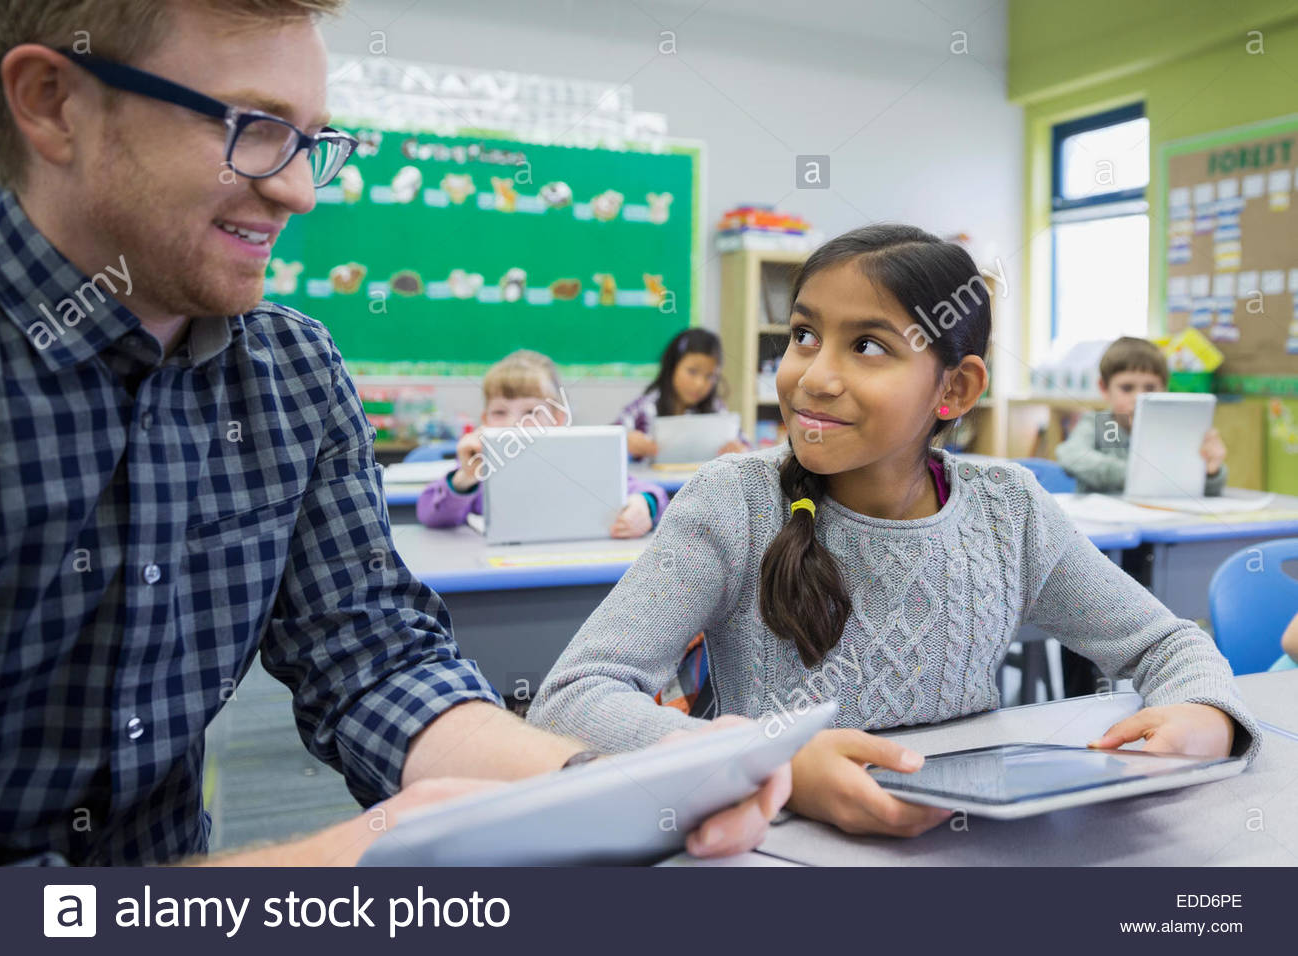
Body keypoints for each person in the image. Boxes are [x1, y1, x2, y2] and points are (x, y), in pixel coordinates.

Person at [0, 0, 787, 866]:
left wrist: (599, 783)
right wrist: (324, 864)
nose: (298, 190)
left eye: (312, 143)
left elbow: (372, 657)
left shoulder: (291, 374)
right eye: (252, 128)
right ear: (52, 102)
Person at [528, 225, 1260, 838]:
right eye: (805, 334)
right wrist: (772, 760)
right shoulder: (734, 502)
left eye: (869, 346)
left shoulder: (1008, 508)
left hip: (970, 851)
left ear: (955, 389)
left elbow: (1165, 642)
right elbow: (572, 697)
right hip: (780, 847)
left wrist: (1206, 715)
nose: (814, 375)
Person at [418, 349, 667, 538]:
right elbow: (431, 514)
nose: (514, 424)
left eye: (530, 412)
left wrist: (643, 505)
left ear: (558, 419)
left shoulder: (580, 459)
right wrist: (465, 479)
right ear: (485, 420)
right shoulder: (479, 464)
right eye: (500, 412)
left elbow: (651, 492)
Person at [1055, 336, 1227, 495]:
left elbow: (1204, 489)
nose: (1139, 398)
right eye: (1127, 388)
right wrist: (1142, 474)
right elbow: (1071, 455)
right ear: (1104, 388)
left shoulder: (1171, 430)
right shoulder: (1099, 424)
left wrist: (1210, 472)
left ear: (1164, 388)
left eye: (1150, 388)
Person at [617, 328, 748, 460]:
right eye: (692, 371)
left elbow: (746, 447)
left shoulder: (717, 410)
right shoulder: (644, 408)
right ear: (672, 366)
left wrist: (740, 450)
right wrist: (625, 441)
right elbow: (608, 440)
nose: (699, 384)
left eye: (710, 376)